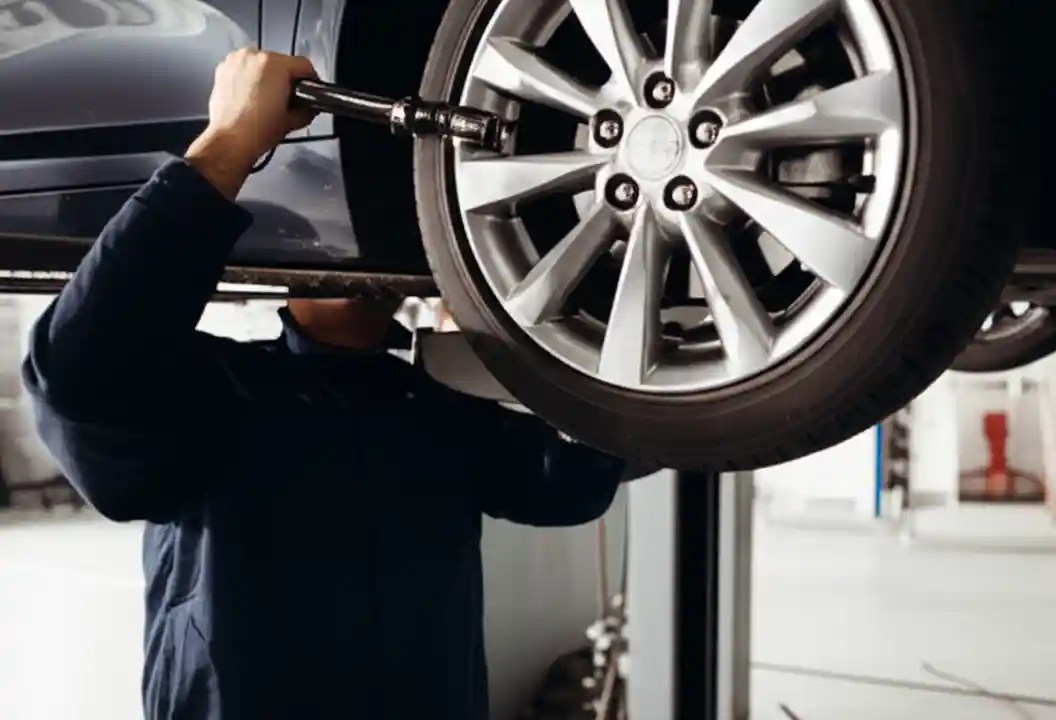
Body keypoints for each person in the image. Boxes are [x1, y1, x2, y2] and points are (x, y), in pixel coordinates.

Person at [23, 48, 632, 719]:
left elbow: (578, 474)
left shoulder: (440, 411)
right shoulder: (209, 392)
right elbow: (77, 379)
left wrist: (525, 334)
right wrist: (226, 144)